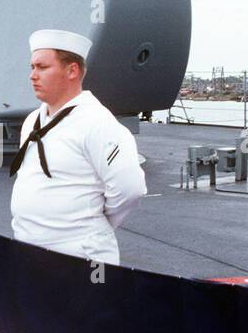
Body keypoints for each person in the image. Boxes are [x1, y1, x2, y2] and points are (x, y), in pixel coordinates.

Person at [9, 29, 146, 265]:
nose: (33, 75)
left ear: (72, 70)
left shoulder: (97, 122)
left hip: (80, 257)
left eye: (42, 67)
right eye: (32, 67)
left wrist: (90, 227)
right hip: (28, 251)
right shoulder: (32, 121)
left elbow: (130, 189)